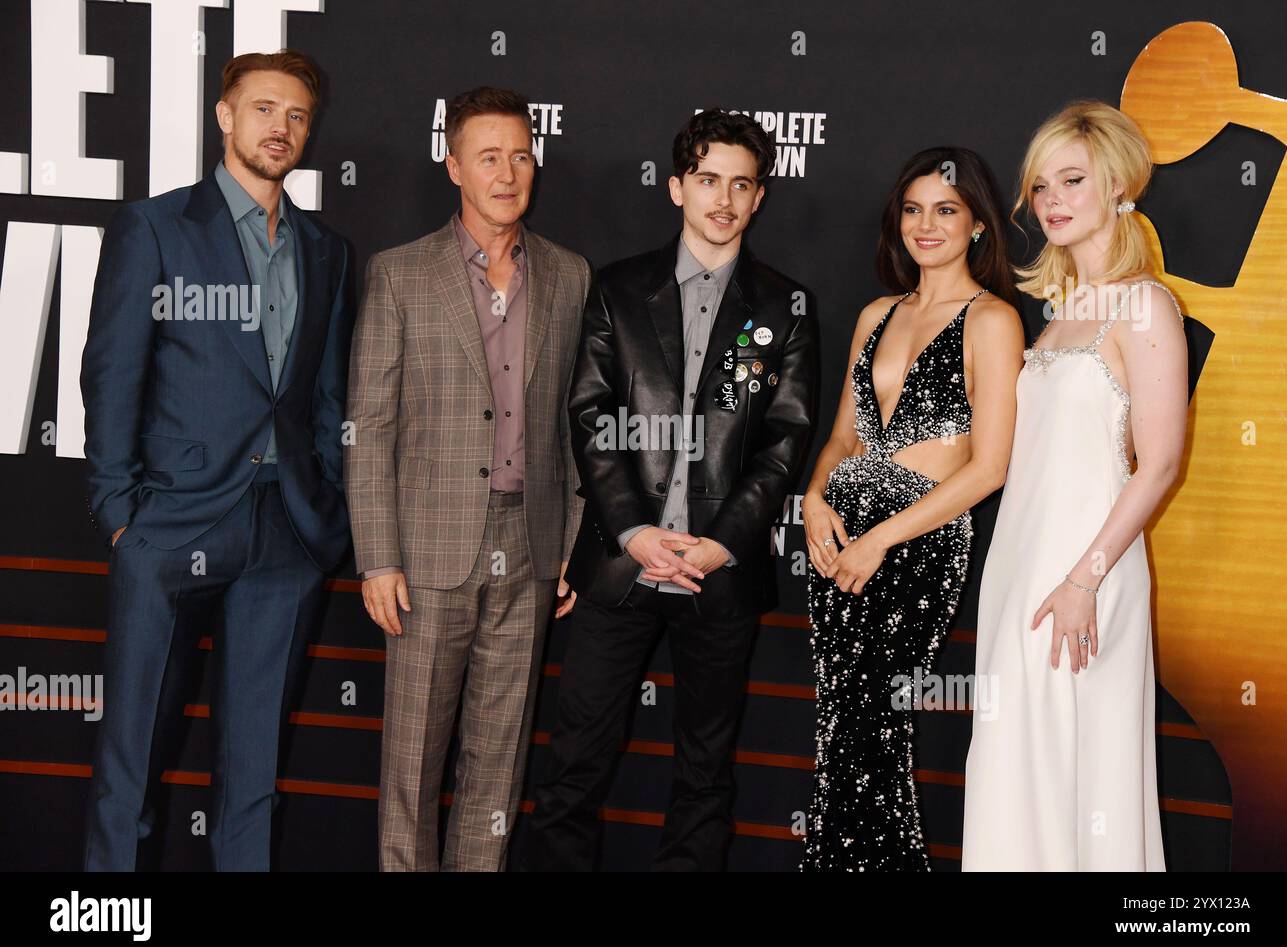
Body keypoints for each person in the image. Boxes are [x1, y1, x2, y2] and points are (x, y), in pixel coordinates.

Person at [521, 108, 819, 871]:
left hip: (720, 572)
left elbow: (786, 440)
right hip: (620, 566)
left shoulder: (787, 306)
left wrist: (720, 543)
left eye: (741, 185)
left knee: (704, 773)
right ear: (677, 186)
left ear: (760, 198)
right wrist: (633, 531)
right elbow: (589, 417)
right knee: (572, 767)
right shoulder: (616, 289)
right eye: (708, 179)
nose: (723, 199)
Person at [80, 50, 354, 871]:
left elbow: (330, 397)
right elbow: (111, 373)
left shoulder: (327, 250)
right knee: (131, 766)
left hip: (285, 534)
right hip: (169, 523)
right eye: (265, 108)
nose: (282, 127)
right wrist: (120, 512)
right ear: (225, 116)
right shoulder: (155, 227)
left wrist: (327, 511)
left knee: (255, 774)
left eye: (298, 115)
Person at [344, 86, 589, 871]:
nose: (508, 172)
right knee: (412, 767)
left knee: (497, 766)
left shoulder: (570, 275)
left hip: (530, 547)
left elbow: (579, 421)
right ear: (454, 166)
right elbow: (369, 425)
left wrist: (571, 542)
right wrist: (378, 555)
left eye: (521, 155)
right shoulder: (399, 275)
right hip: (427, 549)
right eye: (489, 157)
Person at [962, 100, 1185, 871]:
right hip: (1019, 571)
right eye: (1041, 185)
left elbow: (1159, 462)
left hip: (1089, 573)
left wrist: (1086, 578)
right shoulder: (1053, 317)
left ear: (1118, 184)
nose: (1050, 200)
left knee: (1080, 772)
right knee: (1017, 760)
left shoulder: (1147, 304)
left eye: (1072, 180)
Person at [800, 148, 1024, 871]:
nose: (926, 225)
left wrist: (882, 539)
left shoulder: (992, 321)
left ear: (979, 225)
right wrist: (811, 497)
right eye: (913, 208)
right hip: (840, 545)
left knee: (875, 730)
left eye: (947, 209)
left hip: (916, 549)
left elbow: (989, 466)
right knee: (840, 732)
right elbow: (842, 437)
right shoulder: (876, 313)